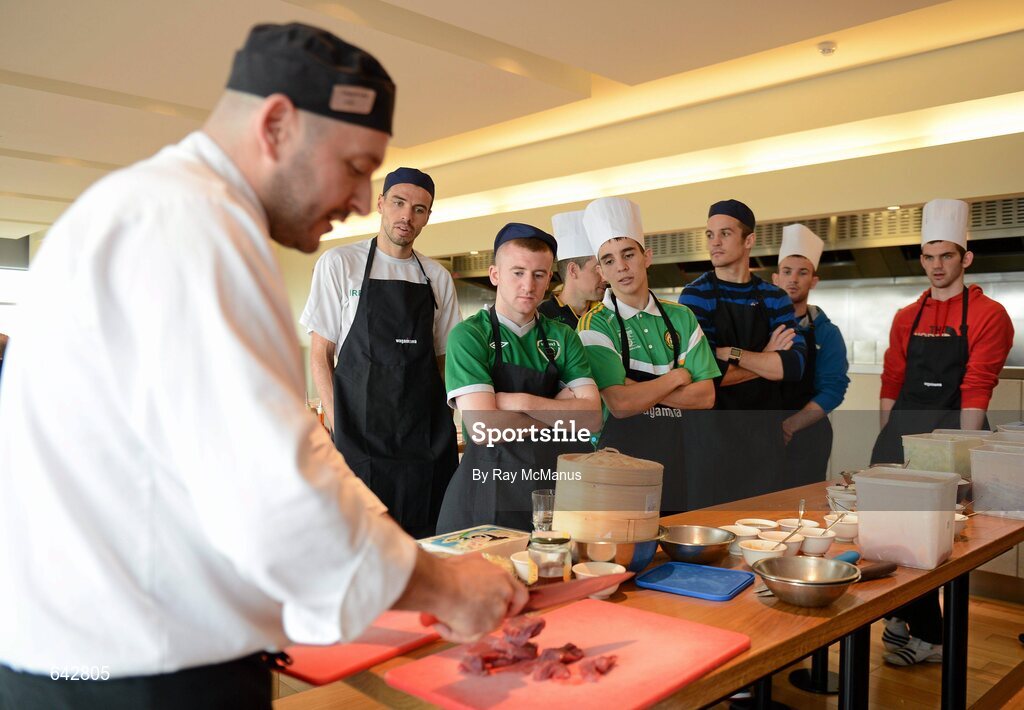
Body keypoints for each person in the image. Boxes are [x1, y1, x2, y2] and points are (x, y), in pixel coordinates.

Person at [0, 23, 524, 709]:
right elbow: (273, 495)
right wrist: (446, 586)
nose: (362, 202)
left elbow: (264, 448)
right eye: (356, 168)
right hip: (141, 668)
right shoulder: (191, 231)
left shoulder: (163, 209)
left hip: (111, 650)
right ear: (276, 125)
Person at [872, 198, 1013, 666]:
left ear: (965, 258)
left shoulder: (990, 314)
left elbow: (977, 385)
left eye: (946, 256)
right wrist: (887, 442)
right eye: (929, 257)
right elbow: (892, 380)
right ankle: (901, 617)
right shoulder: (905, 316)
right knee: (888, 531)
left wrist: (963, 458)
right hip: (904, 431)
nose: (936, 266)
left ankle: (931, 637)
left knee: (934, 540)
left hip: (955, 431)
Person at [301, 166, 460, 538]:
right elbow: (321, 354)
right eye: (399, 203)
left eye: (419, 209)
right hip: (359, 438)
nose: (407, 216)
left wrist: (449, 422)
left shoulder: (436, 277)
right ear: (381, 204)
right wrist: (340, 429)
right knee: (361, 541)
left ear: (428, 216)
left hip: (423, 440)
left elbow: (444, 362)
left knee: (427, 542)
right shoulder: (340, 264)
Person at [437, 223, 602, 533]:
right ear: (495, 274)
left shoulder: (563, 337)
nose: (528, 285)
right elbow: (483, 427)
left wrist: (519, 402)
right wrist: (560, 413)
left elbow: (592, 418)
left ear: (549, 279)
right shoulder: (470, 335)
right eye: (517, 272)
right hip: (486, 492)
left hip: (551, 491)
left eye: (539, 274)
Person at [576, 197, 717, 515]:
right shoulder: (594, 324)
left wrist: (637, 388)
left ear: (646, 257)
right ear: (601, 271)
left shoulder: (682, 317)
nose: (621, 267)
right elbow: (620, 404)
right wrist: (676, 377)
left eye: (628, 254)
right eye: (609, 260)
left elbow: (705, 396)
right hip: (617, 466)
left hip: (677, 460)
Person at [678, 199, 807, 504]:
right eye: (710, 234)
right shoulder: (695, 295)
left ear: (749, 241)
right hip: (711, 443)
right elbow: (705, 375)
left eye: (725, 234)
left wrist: (731, 353)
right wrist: (766, 357)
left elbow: (794, 366)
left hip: (763, 443)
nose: (715, 243)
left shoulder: (774, 297)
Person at [771, 224, 849, 486]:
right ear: (775, 278)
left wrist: (789, 426)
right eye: (787, 271)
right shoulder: (760, 327)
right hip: (762, 432)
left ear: (813, 280)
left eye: (802, 272)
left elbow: (833, 389)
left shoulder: (827, 333)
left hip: (809, 435)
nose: (793, 279)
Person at [538, 210, 606, 329]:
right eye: (597, 269)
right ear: (573, 270)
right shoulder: (542, 317)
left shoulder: (609, 310)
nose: (605, 277)